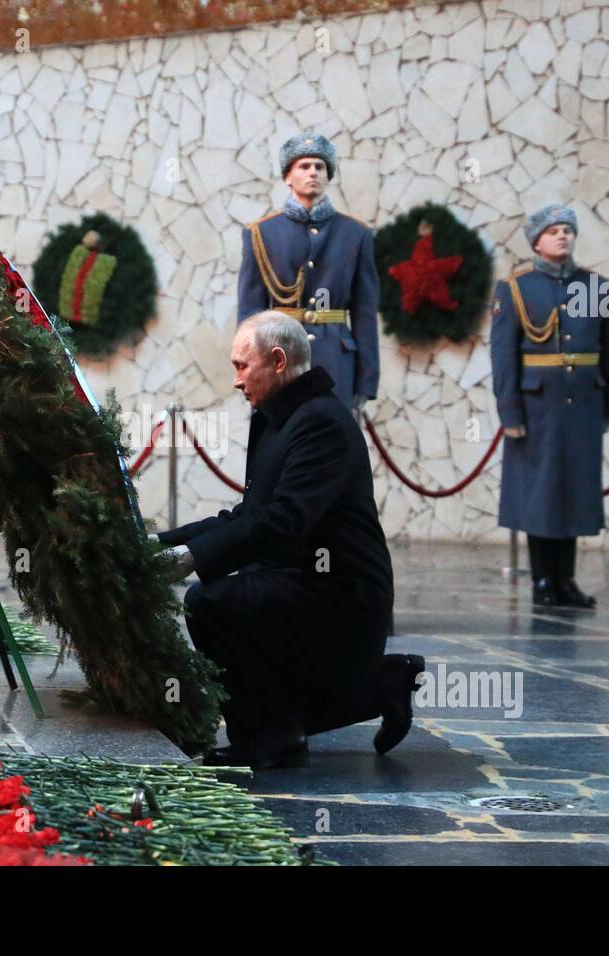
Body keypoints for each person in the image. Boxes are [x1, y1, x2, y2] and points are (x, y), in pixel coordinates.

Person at [156, 312, 423, 770]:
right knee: (240, 597)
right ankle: (382, 683)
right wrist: (162, 542)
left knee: (213, 603)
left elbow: (285, 519)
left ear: (278, 360)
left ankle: (271, 736)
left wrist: (193, 559)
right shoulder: (280, 416)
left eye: (243, 366)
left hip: (344, 591)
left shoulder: (320, 423)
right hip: (301, 579)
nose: (237, 380)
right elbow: (246, 515)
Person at [490, 204, 609, 608]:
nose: (562, 236)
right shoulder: (514, 288)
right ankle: (543, 581)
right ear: (537, 241)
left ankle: (566, 581)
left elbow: (608, 351)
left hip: (582, 404)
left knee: (575, 493)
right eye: (553, 231)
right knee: (540, 494)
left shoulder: (594, 286)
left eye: (568, 229)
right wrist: (509, 411)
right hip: (536, 408)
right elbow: (503, 355)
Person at [237, 131, 380, 413]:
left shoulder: (356, 234)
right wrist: (248, 372)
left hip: (337, 363)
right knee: (280, 449)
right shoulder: (261, 234)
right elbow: (250, 313)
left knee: (334, 450)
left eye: (320, 166)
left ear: (328, 177)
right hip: (277, 361)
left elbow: (365, 313)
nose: (313, 172)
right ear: (288, 177)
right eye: (304, 166)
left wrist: (366, 381)